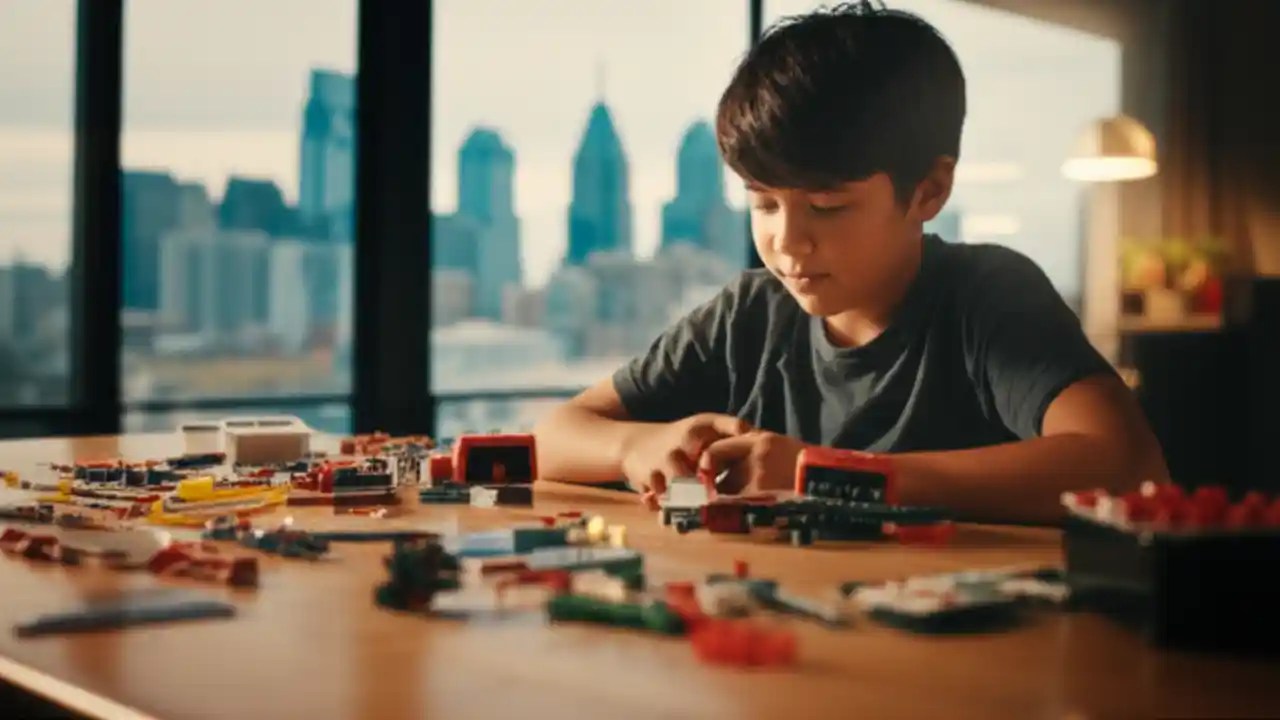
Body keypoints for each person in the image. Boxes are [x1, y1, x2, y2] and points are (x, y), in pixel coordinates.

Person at [532, 2, 1169, 525]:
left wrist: (826, 476)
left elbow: (1127, 467)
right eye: (763, 204)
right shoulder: (747, 316)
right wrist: (635, 445)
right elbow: (554, 435)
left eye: (828, 207)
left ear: (928, 192)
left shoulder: (985, 296)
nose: (787, 241)